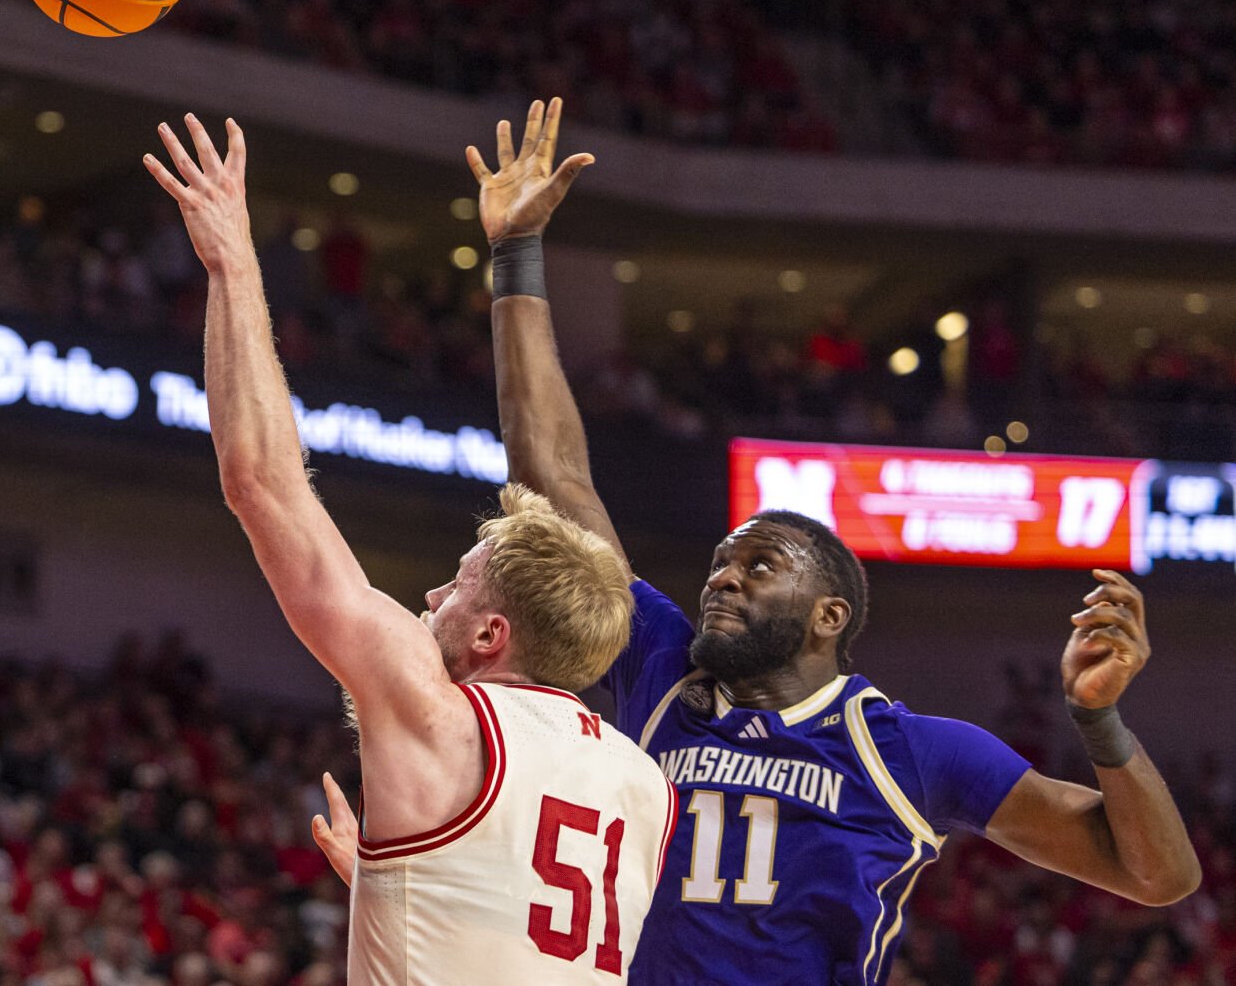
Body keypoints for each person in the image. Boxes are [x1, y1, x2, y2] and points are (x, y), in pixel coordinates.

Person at [313, 99, 1201, 984]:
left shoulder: (912, 751)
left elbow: (1157, 875)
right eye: (719, 565)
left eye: (757, 566)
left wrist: (1097, 721)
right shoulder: (658, 663)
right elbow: (554, 477)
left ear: (829, 615)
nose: (723, 581)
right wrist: (514, 255)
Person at [142, 113, 677, 983]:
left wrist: (232, 262)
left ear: (491, 635)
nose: (430, 599)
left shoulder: (436, 710)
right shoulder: (642, 787)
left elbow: (261, 484)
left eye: (456, 587)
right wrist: (396, 876)